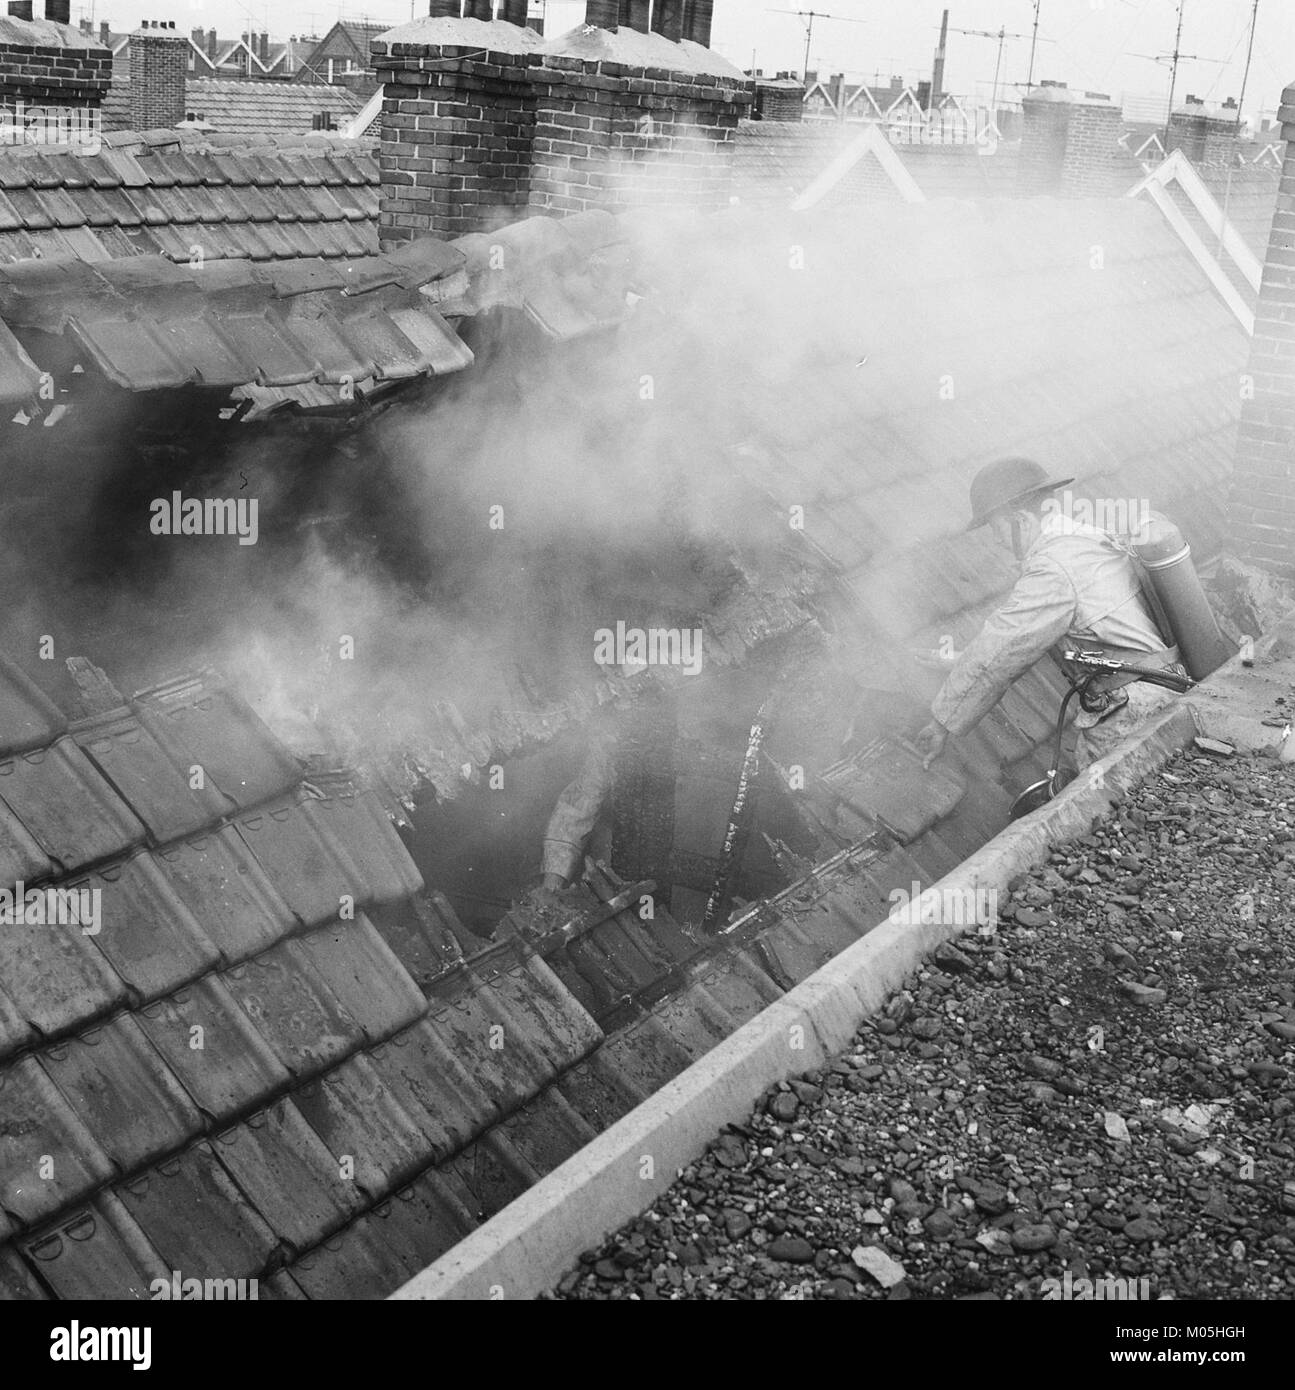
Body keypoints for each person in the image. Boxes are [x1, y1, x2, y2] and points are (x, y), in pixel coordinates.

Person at [913, 458, 1183, 774]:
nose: (997, 540)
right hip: (1162, 689)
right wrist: (962, 658)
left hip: (1134, 712)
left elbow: (1001, 651)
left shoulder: (1053, 568)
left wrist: (941, 723)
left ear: (1022, 520)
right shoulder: (1084, 537)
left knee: (1098, 802)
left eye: (997, 527)